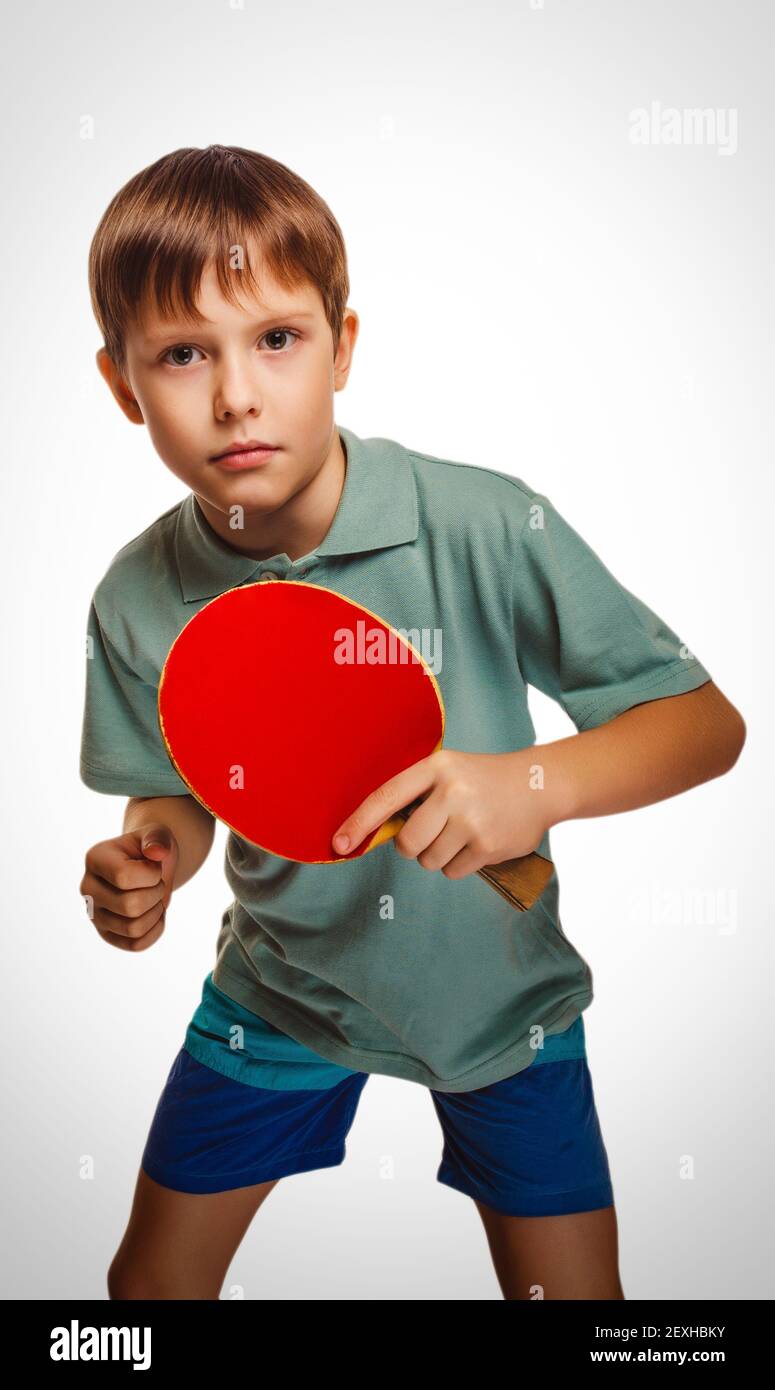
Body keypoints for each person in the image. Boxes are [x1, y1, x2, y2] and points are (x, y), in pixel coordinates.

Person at [78, 144, 745, 1301]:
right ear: (123, 384)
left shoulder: (486, 522)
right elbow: (180, 788)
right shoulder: (136, 596)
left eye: (276, 339)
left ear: (342, 347)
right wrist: (153, 858)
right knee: (146, 1297)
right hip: (276, 994)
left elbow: (703, 724)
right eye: (184, 354)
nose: (236, 393)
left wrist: (523, 788)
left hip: (504, 1008)